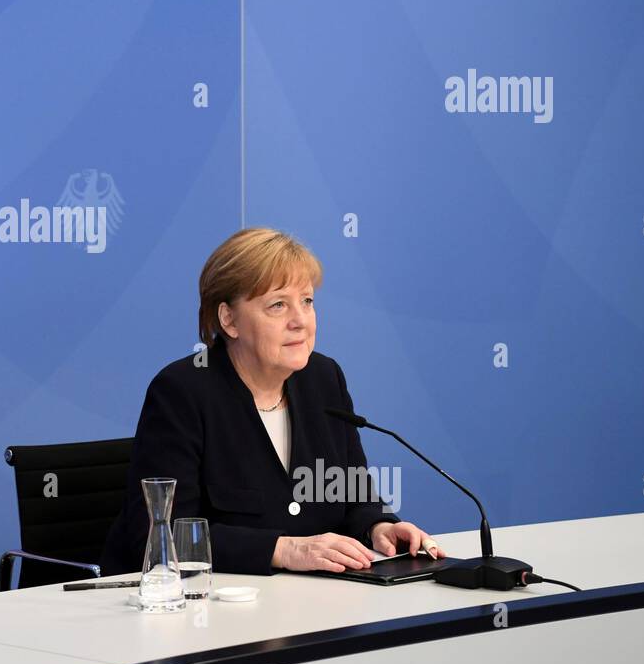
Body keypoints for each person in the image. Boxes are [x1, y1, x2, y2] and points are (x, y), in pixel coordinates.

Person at [100, 227, 442, 576]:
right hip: (198, 611)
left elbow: (353, 497)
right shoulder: (182, 392)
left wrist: (378, 527)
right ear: (229, 320)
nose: (300, 322)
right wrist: (284, 549)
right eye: (278, 305)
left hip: (311, 605)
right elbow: (164, 535)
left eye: (307, 302)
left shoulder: (324, 379)